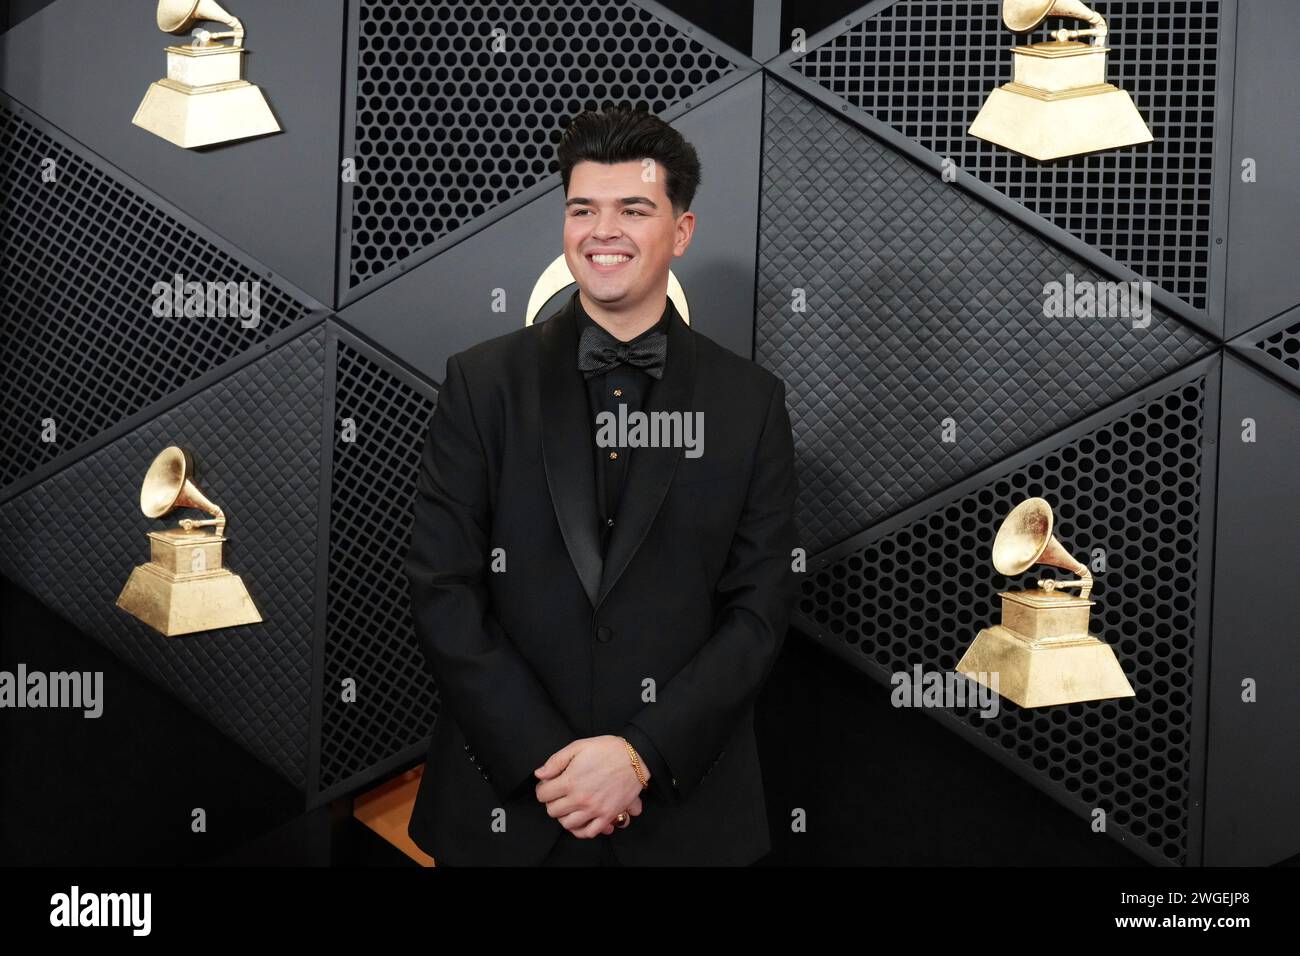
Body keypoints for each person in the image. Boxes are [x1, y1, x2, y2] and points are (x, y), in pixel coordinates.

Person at [404, 106, 798, 866]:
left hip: (682, 817)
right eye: (583, 209)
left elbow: (760, 609)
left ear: (680, 231)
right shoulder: (482, 383)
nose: (602, 230)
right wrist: (553, 764)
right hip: (506, 808)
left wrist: (641, 754)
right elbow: (441, 587)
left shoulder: (750, 401)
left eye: (633, 209)